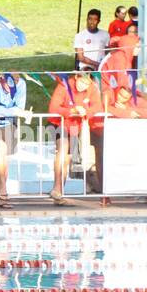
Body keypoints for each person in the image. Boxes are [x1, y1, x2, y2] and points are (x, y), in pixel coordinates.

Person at [47, 73, 103, 205]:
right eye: (80, 82)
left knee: (67, 159)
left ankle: (59, 192)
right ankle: (56, 187)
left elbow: (98, 106)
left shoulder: (92, 88)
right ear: (76, 77)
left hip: (74, 126)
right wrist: (72, 111)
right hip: (58, 122)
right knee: (62, 149)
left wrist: (86, 112)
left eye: (85, 84)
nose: (82, 86)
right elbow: (53, 108)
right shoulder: (64, 85)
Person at [0, 70, 27, 209]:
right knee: (0, 153)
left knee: (5, 160)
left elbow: (20, 106)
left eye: (16, 80)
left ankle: (1, 195)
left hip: (10, 123)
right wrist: (14, 111)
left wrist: (11, 111)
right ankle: (2, 192)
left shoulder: (21, 84)